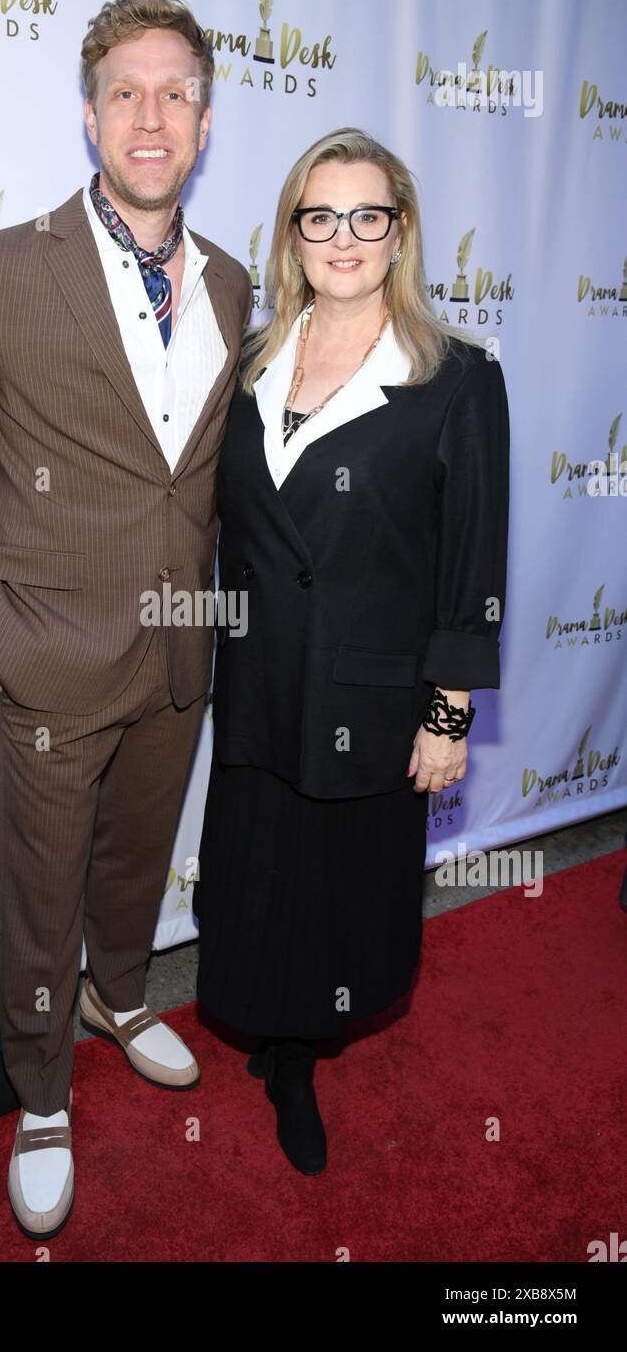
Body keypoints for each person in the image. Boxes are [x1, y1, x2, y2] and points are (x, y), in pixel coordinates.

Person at [0, 0, 252, 1238]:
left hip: (177, 644)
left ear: (204, 119)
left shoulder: (235, 285)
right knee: (40, 888)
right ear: (90, 115)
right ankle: (40, 1089)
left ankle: (122, 995)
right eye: (126, 94)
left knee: (136, 859)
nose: (152, 117)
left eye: (176, 93)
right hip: (44, 650)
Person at [193, 127, 510, 1175]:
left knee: (340, 899)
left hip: (370, 694)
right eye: (318, 215)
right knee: (256, 880)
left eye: (365, 214)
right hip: (258, 683)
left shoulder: (455, 377)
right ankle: (277, 1031)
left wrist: (447, 711)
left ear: (399, 230)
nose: (342, 235)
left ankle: (300, 1055)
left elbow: (472, 558)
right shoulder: (246, 360)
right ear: (291, 233)